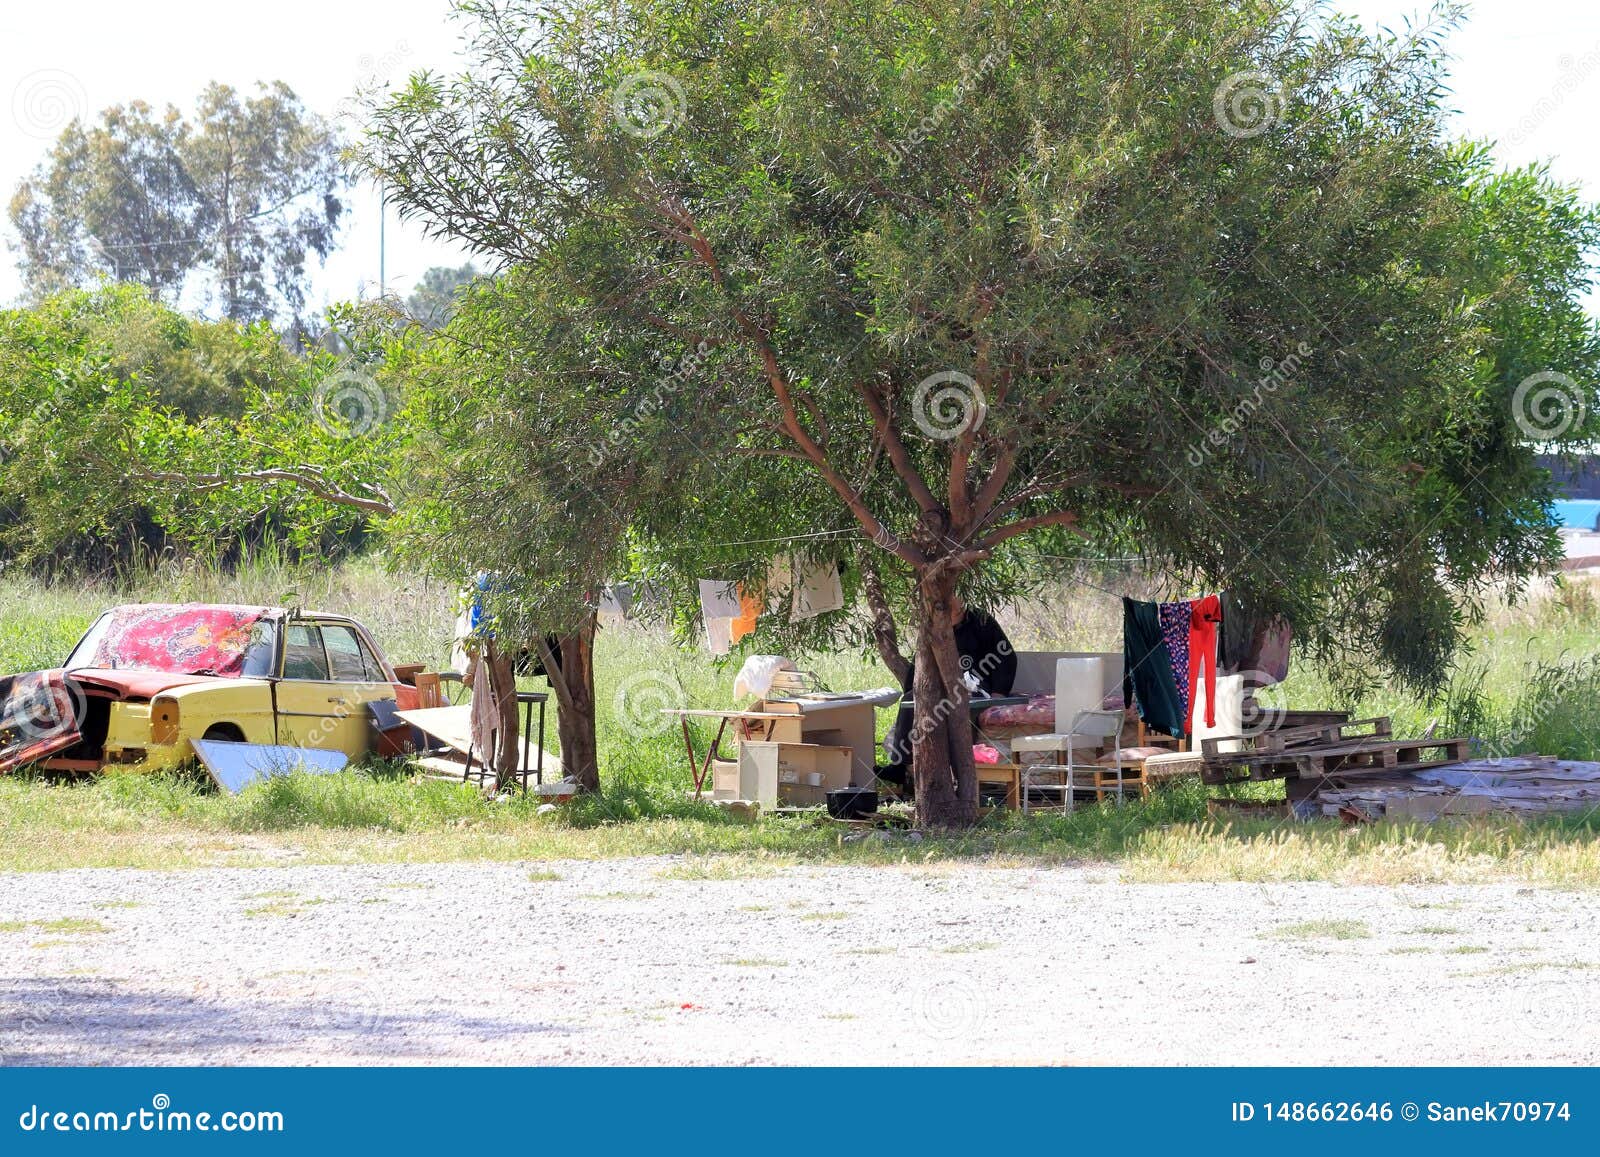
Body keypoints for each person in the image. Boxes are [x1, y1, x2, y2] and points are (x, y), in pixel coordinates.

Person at [879, 597, 1016, 788]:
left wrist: (999, 692)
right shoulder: (932, 624)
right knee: (910, 699)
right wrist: (914, 688)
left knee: (961, 705)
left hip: (973, 687)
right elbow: (920, 659)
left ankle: (960, 774)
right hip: (936, 686)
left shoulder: (981, 621)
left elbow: (1005, 655)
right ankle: (899, 766)